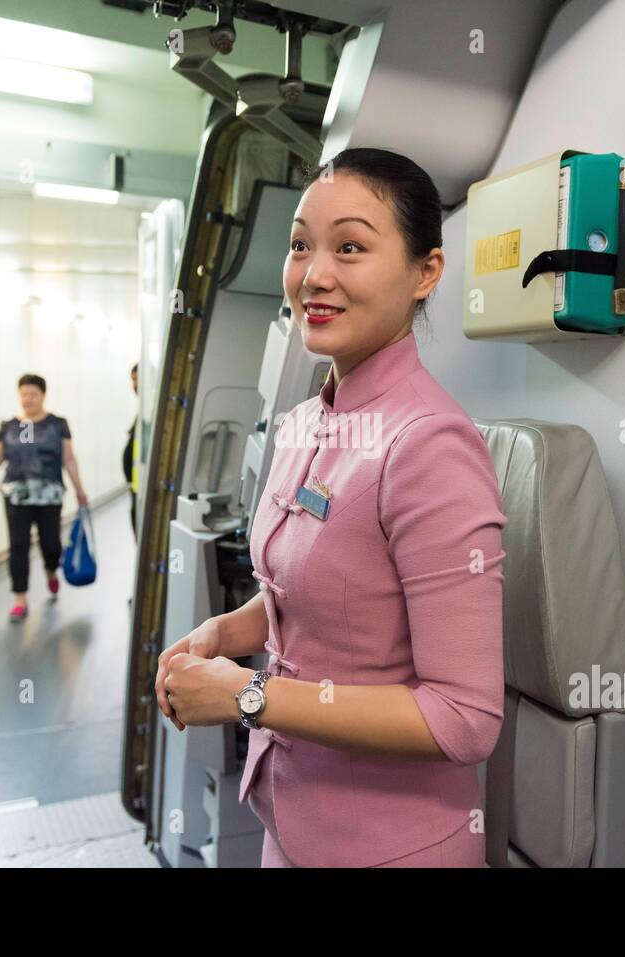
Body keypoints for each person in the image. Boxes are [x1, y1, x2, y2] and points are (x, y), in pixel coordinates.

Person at [153, 147, 508, 867]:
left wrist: (251, 695)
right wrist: (225, 632)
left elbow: (466, 719)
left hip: (391, 845)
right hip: (288, 814)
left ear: (425, 273)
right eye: (300, 246)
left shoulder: (429, 444)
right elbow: (315, 594)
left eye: (350, 246)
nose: (314, 274)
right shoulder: (308, 420)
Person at [0, 373, 90, 622]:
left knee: (50, 543)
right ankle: (20, 597)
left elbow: (69, 459)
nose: (28, 399)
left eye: (33, 394)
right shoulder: (8, 426)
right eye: (24, 394)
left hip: (49, 494)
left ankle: (51, 571)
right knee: (18, 545)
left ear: (43, 396)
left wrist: (80, 489)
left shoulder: (57, 424)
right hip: (17, 495)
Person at [123, 363, 139, 539]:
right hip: (135, 486)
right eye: (133, 381)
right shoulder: (141, 413)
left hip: (143, 488)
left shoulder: (154, 412)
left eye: (138, 380)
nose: (135, 386)